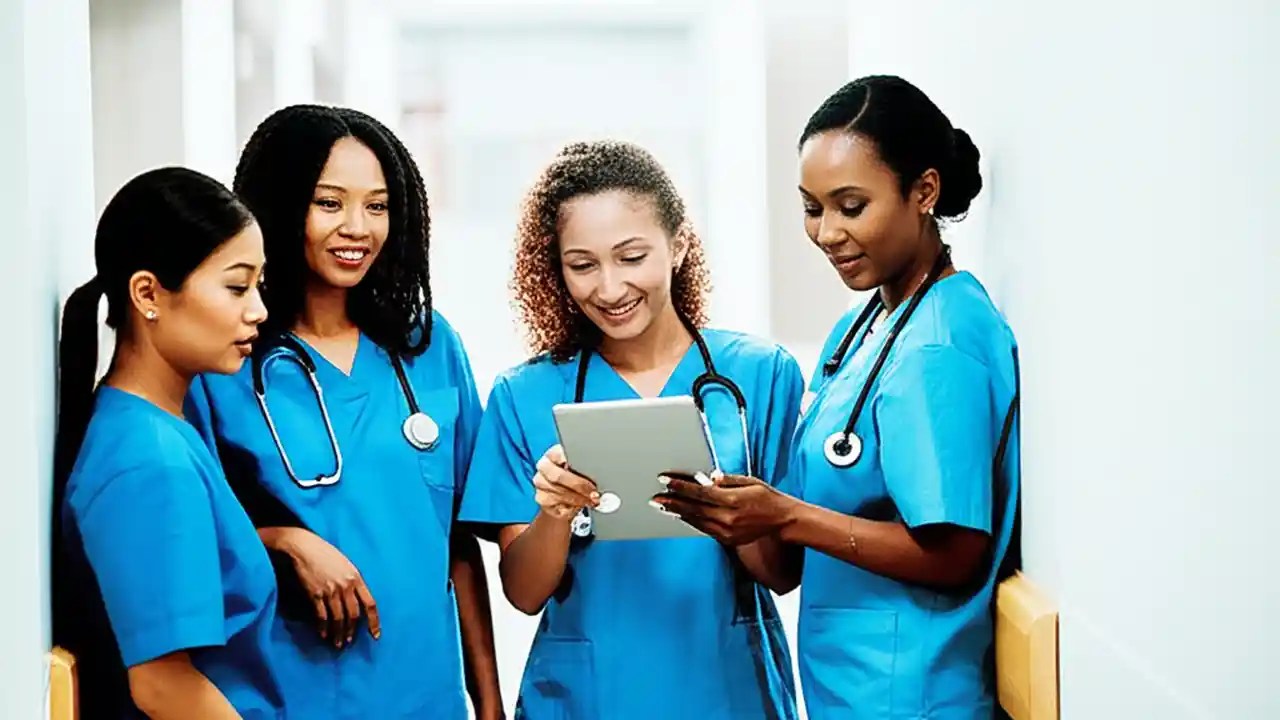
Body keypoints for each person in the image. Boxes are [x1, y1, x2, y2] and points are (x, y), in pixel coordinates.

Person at [655, 75, 1022, 719]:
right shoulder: (862, 326)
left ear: (924, 192)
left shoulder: (939, 341)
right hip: (846, 694)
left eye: (851, 206)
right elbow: (788, 567)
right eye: (811, 207)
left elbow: (958, 553)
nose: (826, 233)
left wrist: (786, 515)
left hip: (912, 698)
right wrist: (728, 512)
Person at [458, 140, 803, 719]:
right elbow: (522, 592)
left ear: (679, 244)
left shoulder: (760, 376)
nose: (610, 288)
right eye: (582, 265)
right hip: (585, 699)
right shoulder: (523, 395)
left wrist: (737, 516)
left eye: (631, 256)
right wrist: (555, 513)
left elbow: (784, 574)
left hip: (727, 693)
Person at [184, 105, 502, 719]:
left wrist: (487, 701)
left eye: (377, 206)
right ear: (280, 205)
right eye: (329, 203)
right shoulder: (223, 358)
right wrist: (286, 540)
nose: (357, 227)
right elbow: (187, 528)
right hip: (281, 695)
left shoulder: (429, 346)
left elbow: (459, 543)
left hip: (424, 696)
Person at [53, 167, 287, 719]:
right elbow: (163, 686)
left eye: (259, 285)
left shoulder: (159, 429)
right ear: (148, 294)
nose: (258, 310)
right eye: (236, 286)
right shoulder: (148, 460)